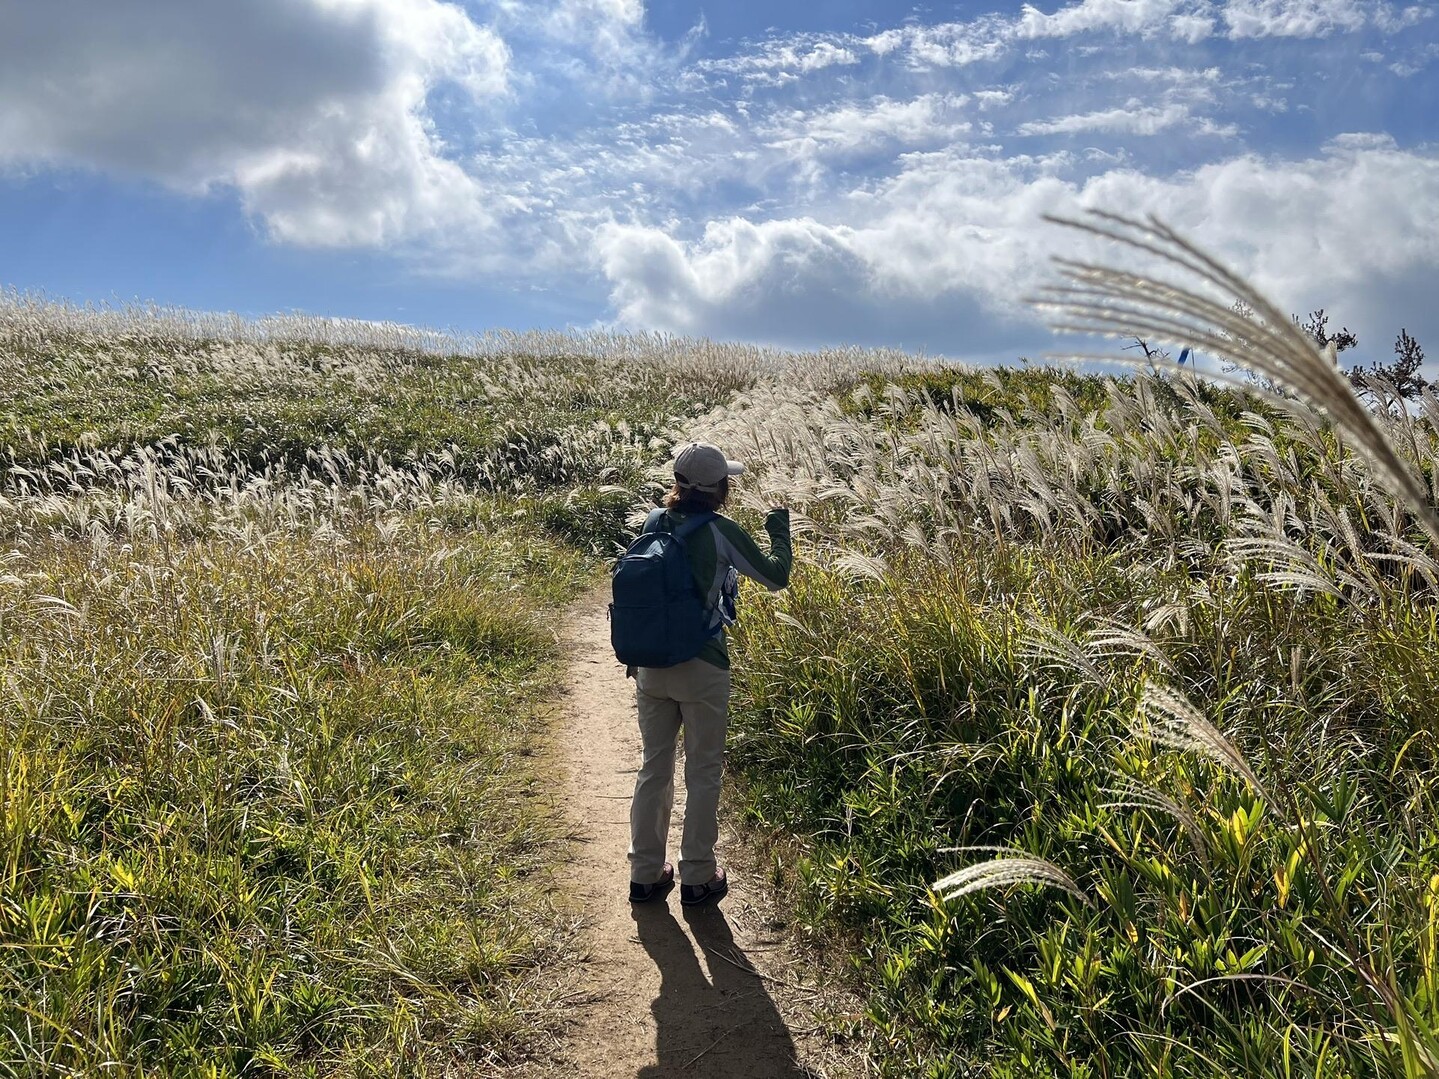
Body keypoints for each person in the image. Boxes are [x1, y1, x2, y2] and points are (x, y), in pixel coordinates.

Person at [628, 441, 792, 906]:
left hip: (651, 666)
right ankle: (697, 876)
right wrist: (780, 532)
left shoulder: (653, 522)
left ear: (678, 483)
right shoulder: (722, 530)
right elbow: (776, 577)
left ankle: (644, 874)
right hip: (702, 666)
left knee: (653, 768)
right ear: (719, 488)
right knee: (702, 771)